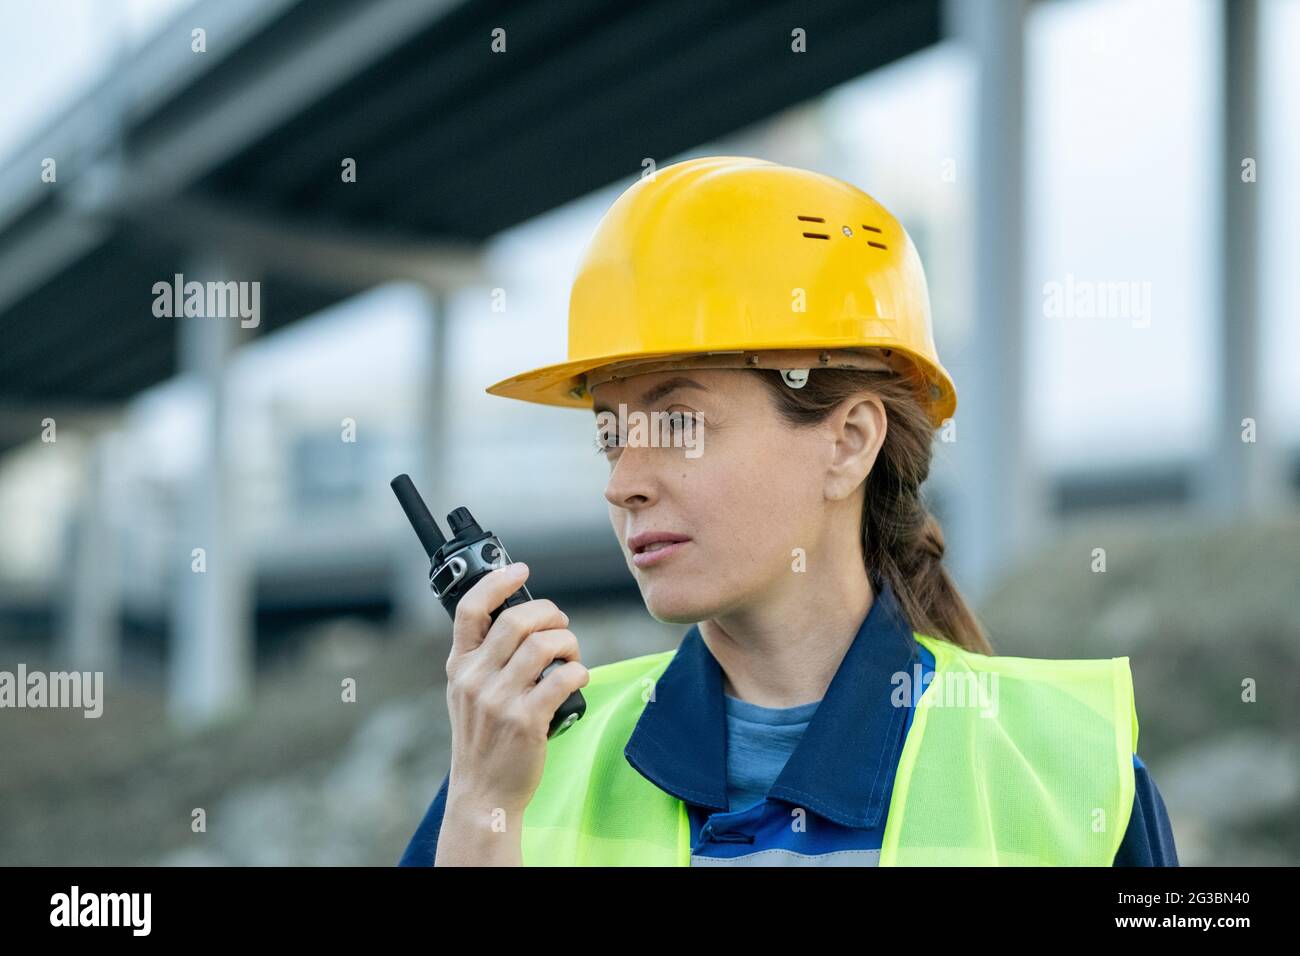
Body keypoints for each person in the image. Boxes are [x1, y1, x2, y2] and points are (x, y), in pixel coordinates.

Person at [399, 155, 1178, 866]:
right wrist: (481, 808)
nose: (623, 482)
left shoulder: (1072, 774)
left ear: (848, 442)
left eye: (678, 424)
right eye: (610, 435)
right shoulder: (522, 765)